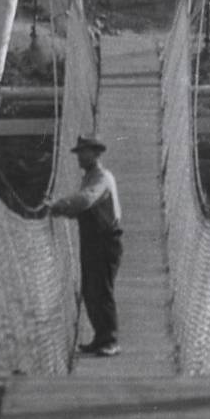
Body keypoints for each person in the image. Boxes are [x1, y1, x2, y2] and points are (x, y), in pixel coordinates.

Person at [44, 136, 125, 357]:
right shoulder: (89, 177)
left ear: (95, 154)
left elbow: (86, 200)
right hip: (92, 241)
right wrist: (61, 210)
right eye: (79, 152)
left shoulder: (101, 178)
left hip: (106, 241)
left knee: (102, 290)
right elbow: (83, 209)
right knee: (91, 291)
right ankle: (100, 338)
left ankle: (111, 340)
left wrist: (60, 205)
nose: (79, 156)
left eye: (83, 152)